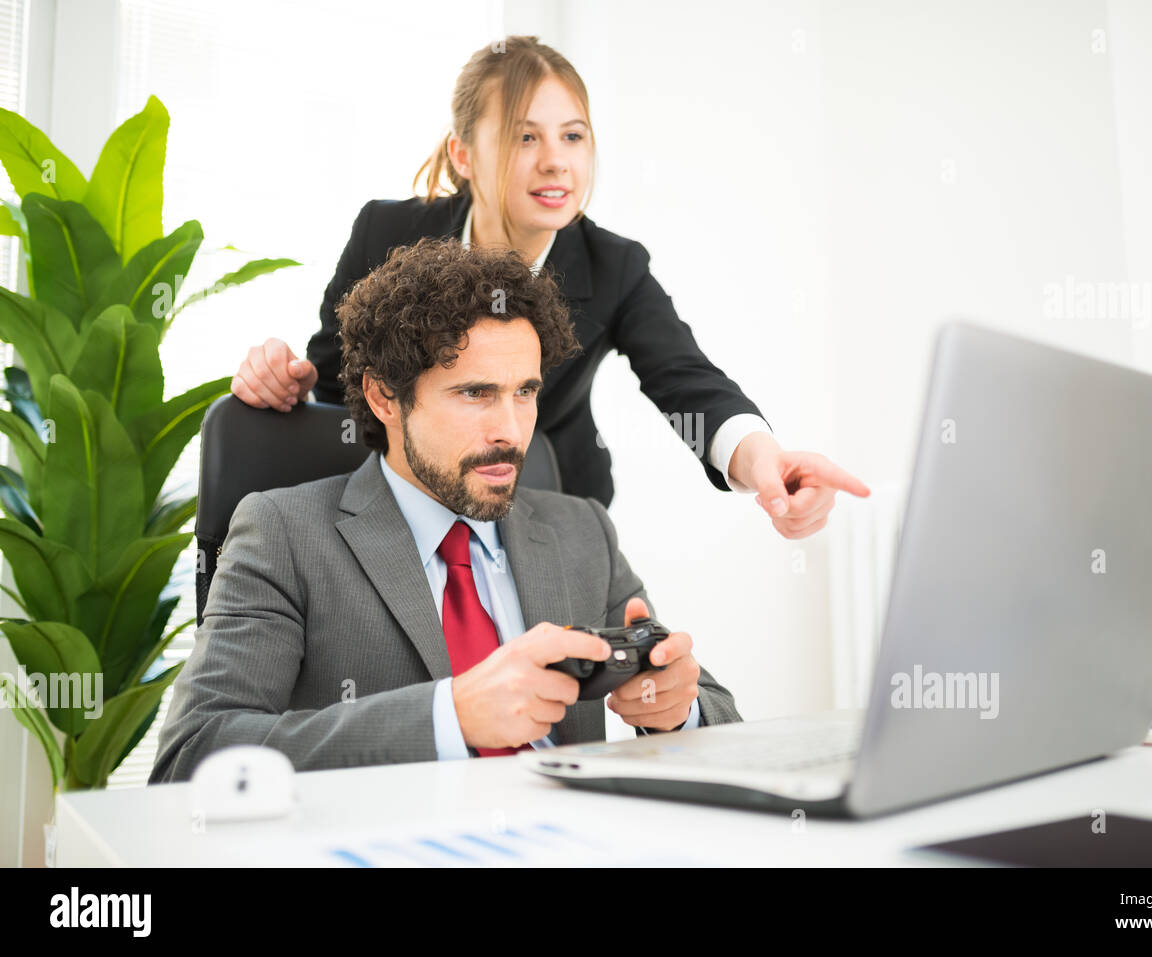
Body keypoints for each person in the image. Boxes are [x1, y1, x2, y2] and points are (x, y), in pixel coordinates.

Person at [150, 238, 741, 783]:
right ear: (384, 396)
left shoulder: (581, 530)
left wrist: (675, 709)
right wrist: (447, 718)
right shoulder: (283, 534)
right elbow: (194, 756)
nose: (511, 431)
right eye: (475, 393)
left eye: (525, 392)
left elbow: (719, 720)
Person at [232, 35, 869, 540]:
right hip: (401, 517)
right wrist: (278, 376)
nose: (556, 161)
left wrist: (764, 464)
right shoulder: (387, 232)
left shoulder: (614, 265)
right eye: (524, 136)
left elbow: (687, 380)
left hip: (548, 510)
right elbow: (331, 377)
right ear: (462, 153)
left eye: (572, 135)